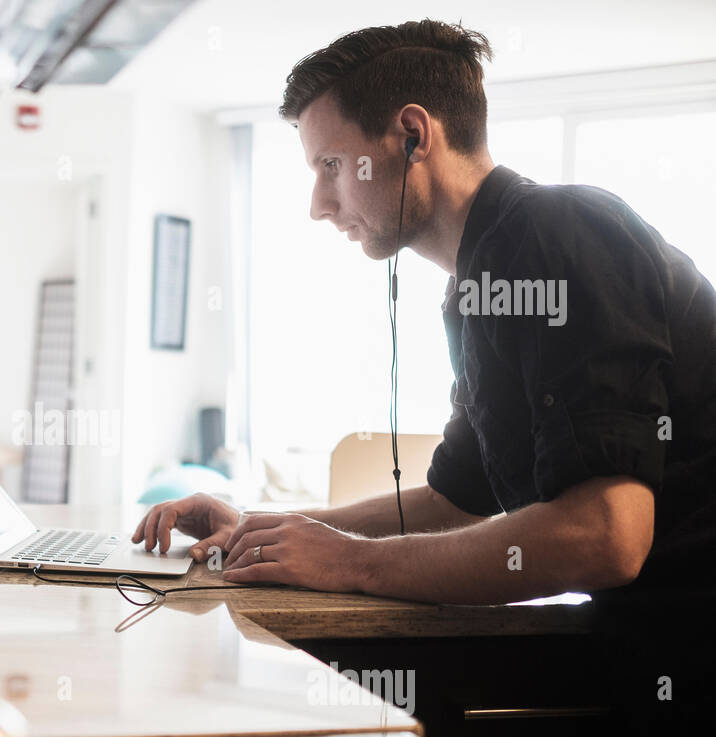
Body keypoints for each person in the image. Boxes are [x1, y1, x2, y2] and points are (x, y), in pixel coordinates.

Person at [133, 19, 716, 606]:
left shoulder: (558, 233)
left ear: (413, 135)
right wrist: (258, 529)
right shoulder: (478, 286)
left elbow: (607, 535)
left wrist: (350, 561)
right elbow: (454, 500)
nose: (318, 205)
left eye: (332, 165)